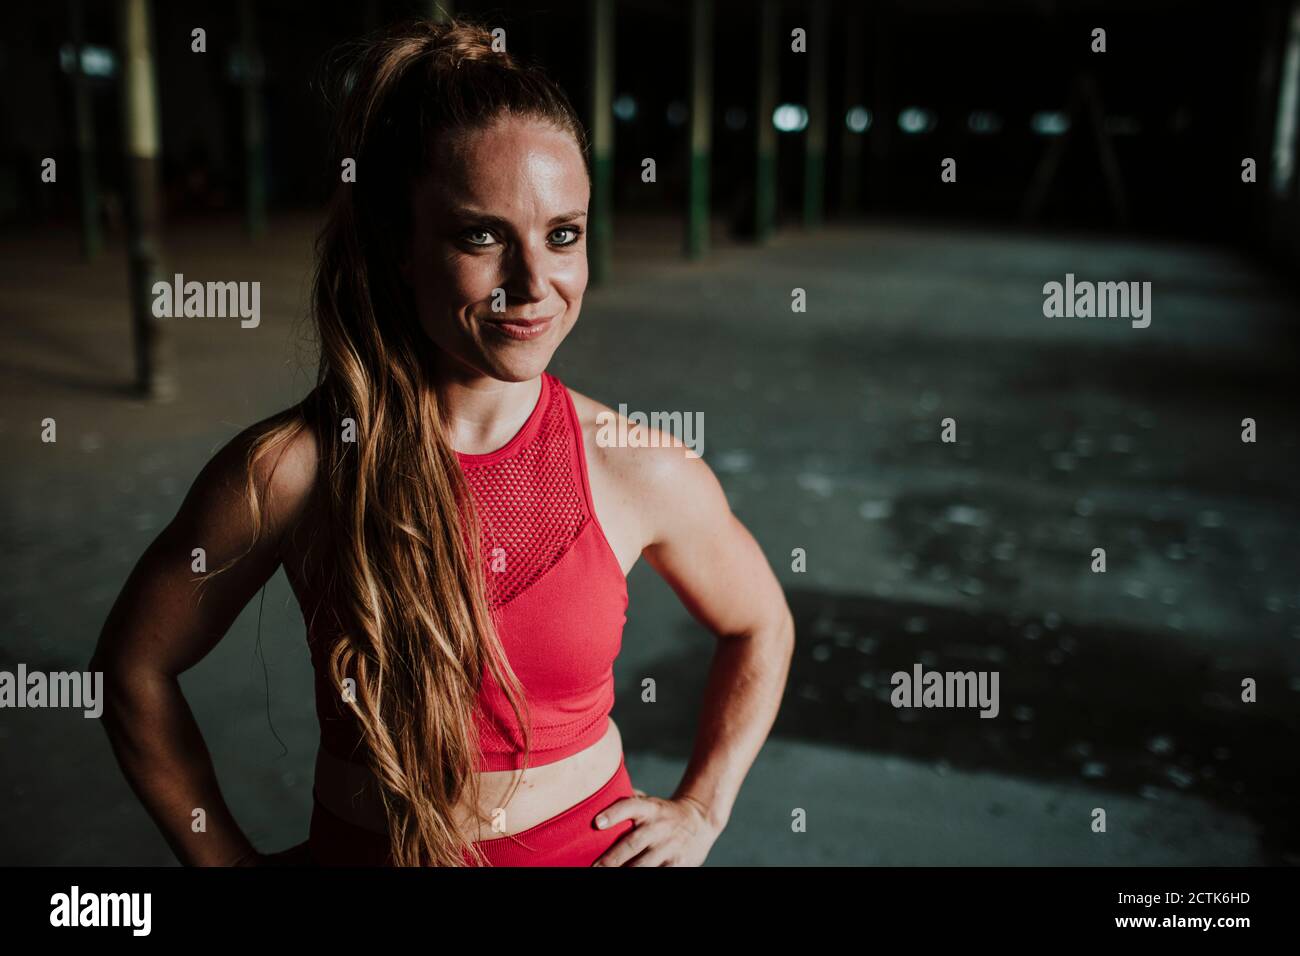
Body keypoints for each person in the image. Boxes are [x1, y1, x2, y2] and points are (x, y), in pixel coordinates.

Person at [90, 18, 794, 867]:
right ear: (400, 245)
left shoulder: (639, 465)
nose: (536, 285)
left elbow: (761, 624)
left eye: (562, 234)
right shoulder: (291, 471)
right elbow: (133, 668)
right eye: (482, 236)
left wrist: (703, 808)